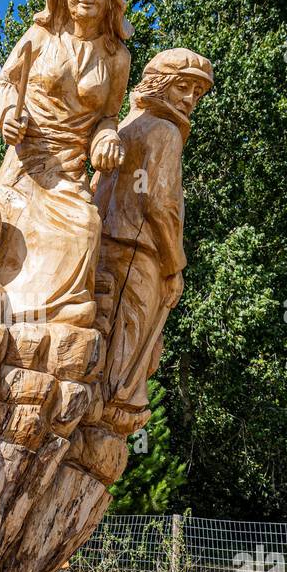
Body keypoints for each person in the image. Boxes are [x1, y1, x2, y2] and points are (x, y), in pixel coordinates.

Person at [0, 0, 132, 327]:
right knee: (8, 233)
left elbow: (108, 116)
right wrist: (6, 116)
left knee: (85, 227)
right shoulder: (40, 37)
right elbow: (4, 85)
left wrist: (106, 139)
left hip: (68, 171)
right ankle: (5, 316)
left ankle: (40, 320)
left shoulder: (117, 59)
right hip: (26, 162)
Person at [93, 47, 214, 427]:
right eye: (183, 86)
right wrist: (174, 266)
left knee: (105, 330)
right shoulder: (164, 131)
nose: (190, 99)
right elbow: (160, 204)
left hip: (101, 243)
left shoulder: (124, 127)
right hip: (140, 251)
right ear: (159, 82)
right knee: (128, 351)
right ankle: (111, 414)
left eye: (198, 92)